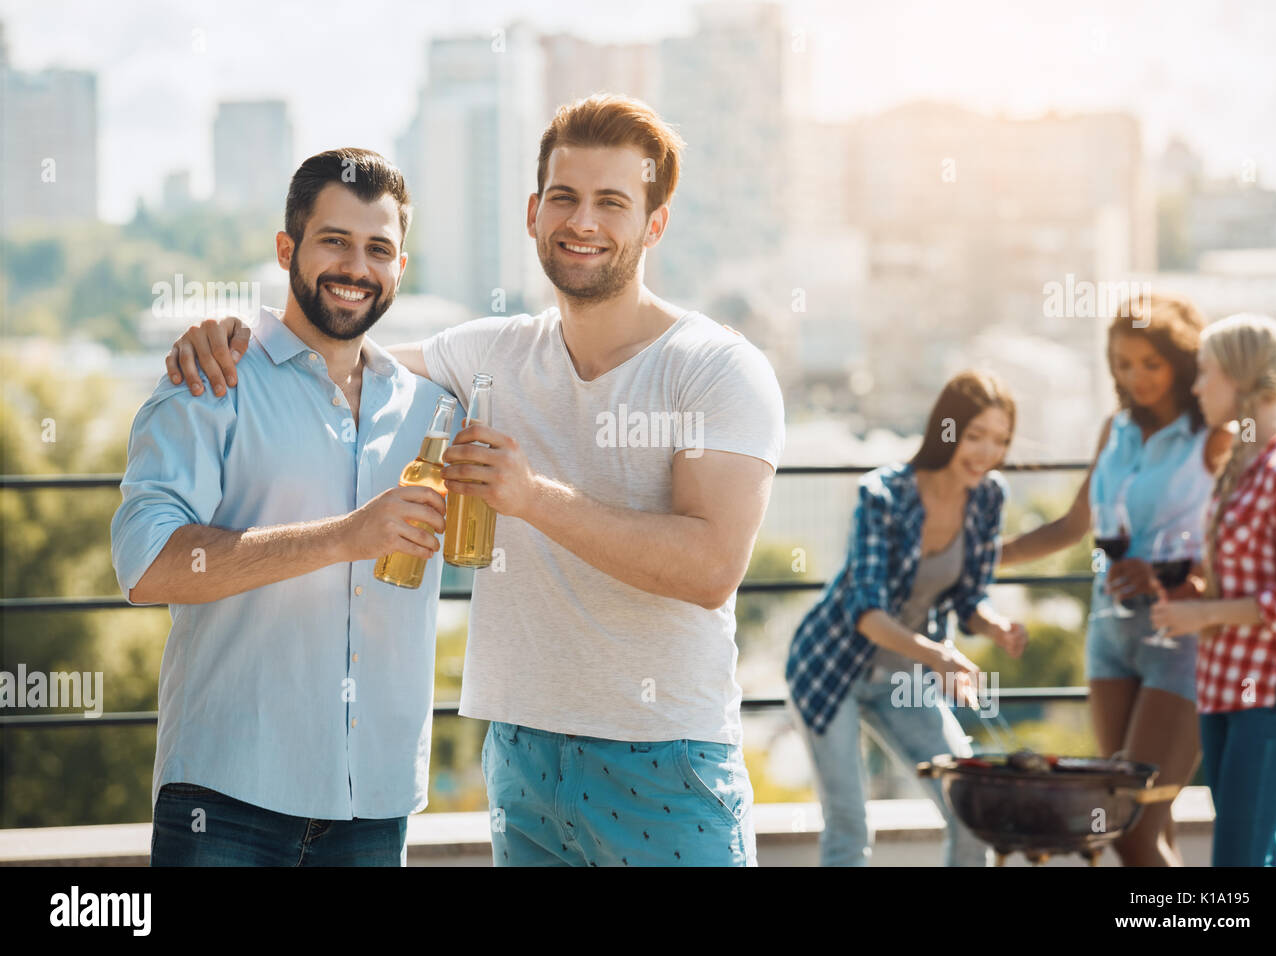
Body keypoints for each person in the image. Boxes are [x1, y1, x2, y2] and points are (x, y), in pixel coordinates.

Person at [163, 94, 786, 866]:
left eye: (612, 202)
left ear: (654, 224)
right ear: (532, 213)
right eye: (564, 197)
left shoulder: (717, 369)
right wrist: (236, 332)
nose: (582, 222)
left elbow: (711, 568)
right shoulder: (487, 355)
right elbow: (341, 355)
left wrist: (532, 498)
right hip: (521, 760)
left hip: (666, 760)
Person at [111, 148, 463, 865]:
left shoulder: (436, 410)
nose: (356, 268)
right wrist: (346, 536)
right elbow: (146, 566)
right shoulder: (210, 382)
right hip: (227, 801)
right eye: (334, 240)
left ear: (401, 267)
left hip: (374, 807)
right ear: (286, 249)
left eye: (378, 249)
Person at [998, 293, 1230, 866]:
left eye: (1150, 362)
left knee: (1128, 825)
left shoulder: (1215, 436)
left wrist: (1167, 571)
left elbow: (1240, 537)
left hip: (1179, 637)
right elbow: (1075, 524)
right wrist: (982, 558)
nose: (1136, 377)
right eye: (1124, 364)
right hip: (1109, 637)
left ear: (1181, 360)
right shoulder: (1115, 430)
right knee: (1147, 822)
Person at [786, 370, 1027, 866]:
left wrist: (994, 625)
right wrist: (939, 655)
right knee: (849, 825)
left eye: (999, 441)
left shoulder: (988, 497)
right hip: (832, 670)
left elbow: (968, 598)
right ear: (947, 430)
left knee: (969, 809)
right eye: (975, 436)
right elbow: (867, 613)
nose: (987, 453)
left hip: (906, 676)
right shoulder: (884, 495)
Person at [1151, 313, 1276, 866]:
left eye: (1205, 373)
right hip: (1221, 688)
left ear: (1238, 379)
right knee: (1255, 856)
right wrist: (1194, 596)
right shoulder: (1241, 467)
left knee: (1234, 866)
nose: (1195, 387)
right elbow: (1244, 578)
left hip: (1267, 699)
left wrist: (1206, 616)